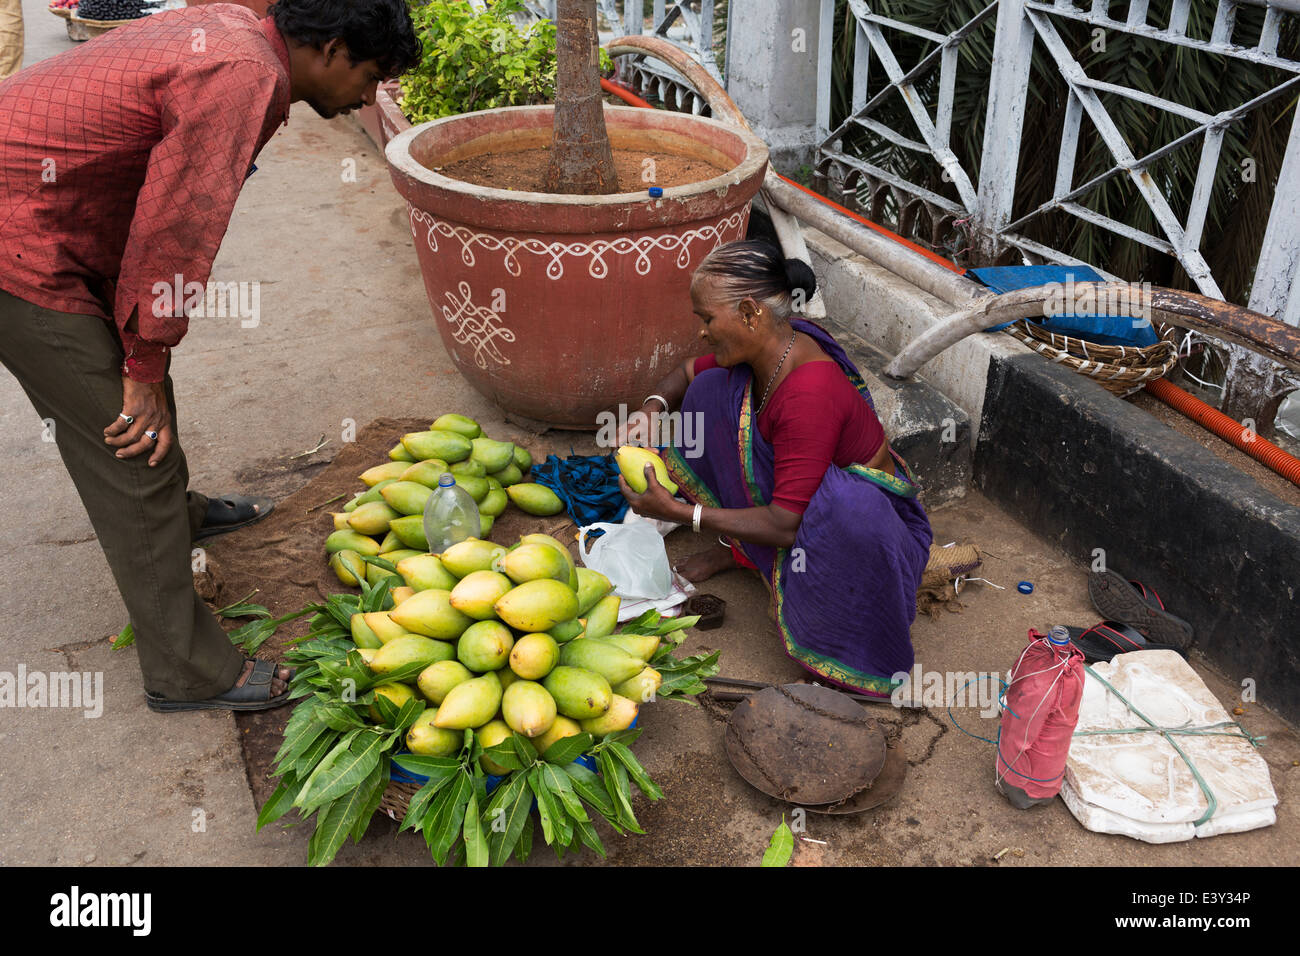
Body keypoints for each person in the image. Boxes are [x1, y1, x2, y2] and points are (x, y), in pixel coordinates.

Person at [0, 0, 420, 711]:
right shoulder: (240, 74)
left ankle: (181, 517)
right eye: (372, 76)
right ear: (334, 48)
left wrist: (146, 359)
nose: (369, 99)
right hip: (23, 242)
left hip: (56, 211)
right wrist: (143, 364)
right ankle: (188, 671)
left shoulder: (238, 30)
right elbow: (176, 229)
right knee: (131, 444)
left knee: (144, 399)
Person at [617, 240, 932, 697]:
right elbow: (687, 374)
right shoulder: (769, 348)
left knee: (842, 507)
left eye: (707, 319)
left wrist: (682, 513)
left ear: (749, 313)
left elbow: (786, 525)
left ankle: (843, 637)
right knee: (711, 390)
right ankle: (742, 548)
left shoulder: (809, 392)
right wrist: (652, 407)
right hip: (801, 493)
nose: (702, 332)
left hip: (869, 531)